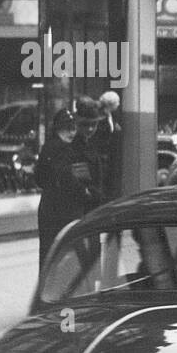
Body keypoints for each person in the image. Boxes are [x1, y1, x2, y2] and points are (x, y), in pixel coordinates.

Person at [34, 107, 104, 267]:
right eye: (66, 129)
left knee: (53, 258)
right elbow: (66, 177)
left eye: (73, 128)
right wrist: (85, 192)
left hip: (53, 211)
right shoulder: (62, 149)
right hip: (63, 213)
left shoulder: (52, 147)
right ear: (57, 129)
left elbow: (39, 179)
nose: (71, 133)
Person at [96, 90, 124, 199]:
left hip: (109, 156)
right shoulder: (102, 117)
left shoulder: (111, 115)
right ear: (111, 104)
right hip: (103, 155)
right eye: (117, 102)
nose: (119, 104)